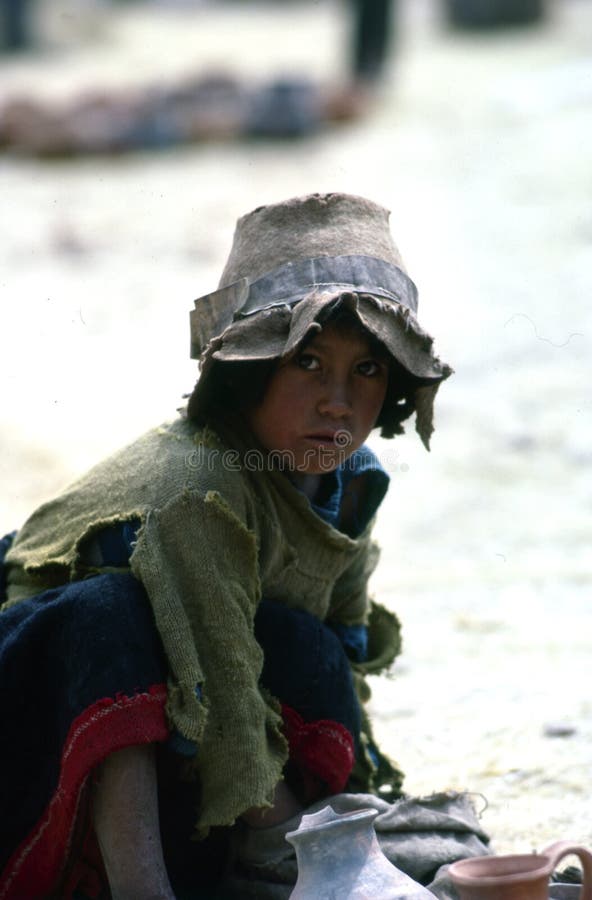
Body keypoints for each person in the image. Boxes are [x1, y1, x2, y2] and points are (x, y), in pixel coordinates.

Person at [0, 192, 456, 899]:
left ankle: (258, 858)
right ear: (248, 370)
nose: (338, 402)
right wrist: (301, 842)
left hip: (187, 750)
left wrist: (353, 832)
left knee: (309, 643)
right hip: (43, 737)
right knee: (109, 611)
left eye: (366, 370)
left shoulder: (354, 484)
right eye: (308, 361)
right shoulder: (202, 487)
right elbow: (215, 677)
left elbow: (340, 658)